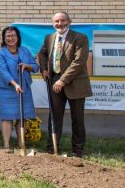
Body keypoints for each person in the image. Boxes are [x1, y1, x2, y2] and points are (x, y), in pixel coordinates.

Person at [37, 11, 92, 158]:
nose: (59, 24)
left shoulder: (80, 38)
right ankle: (52, 149)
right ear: (53, 23)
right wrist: (43, 69)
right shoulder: (49, 38)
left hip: (75, 82)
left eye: (62, 20)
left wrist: (63, 80)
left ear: (69, 21)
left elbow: (79, 62)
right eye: (56, 21)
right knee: (54, 117)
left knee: (77, 118)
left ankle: (77, 150)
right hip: (54, 81)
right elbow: (42, 54)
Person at [0, 26, 39, 151]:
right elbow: (3, 71)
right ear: (4, 38)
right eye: (7, 36)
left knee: (21, 117)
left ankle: (21, 145)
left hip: (24, 88)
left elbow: (36, 67)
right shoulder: (0, 53)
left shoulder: (24, 50)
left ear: (18, 37)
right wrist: (15, 84)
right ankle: (6, 146)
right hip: (8, 89)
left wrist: (27, 65)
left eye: (13, 35)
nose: (10, 38)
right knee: (7, 117)